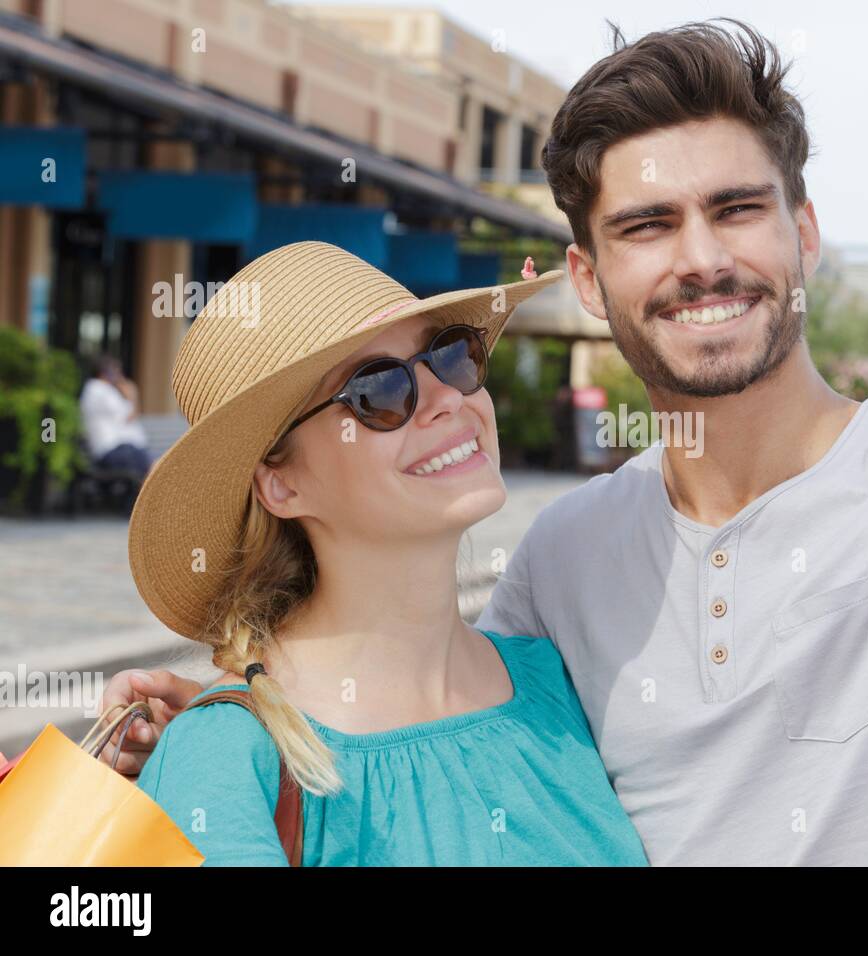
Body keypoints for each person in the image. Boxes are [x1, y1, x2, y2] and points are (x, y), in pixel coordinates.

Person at [102, 19, 868, 865]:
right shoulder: (563, 563)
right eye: (645, 225)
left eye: (736, 208)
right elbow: (381, 693)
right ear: (586, 276)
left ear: (802, 233)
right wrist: (212, 742)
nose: (701, 258)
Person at [115, 241, 647, 866]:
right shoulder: (225, 758)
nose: (448, 398)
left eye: (451, 355)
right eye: (378, 391)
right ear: (281, 484)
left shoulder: (559, 681)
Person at [79, 355, 152, 479]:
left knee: (154, 469)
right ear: (105, 372)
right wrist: (132, 394)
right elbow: (128, 416)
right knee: (153, 471)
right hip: (112, 449)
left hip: (121, 448)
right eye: (116, 371)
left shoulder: (101, 390)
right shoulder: (98, 389)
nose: (119, 376)